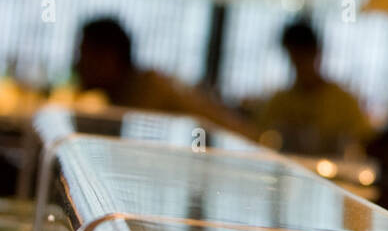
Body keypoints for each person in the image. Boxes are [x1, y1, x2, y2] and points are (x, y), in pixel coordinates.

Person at [73, 16, 254, 136]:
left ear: (108, 58)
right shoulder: (133, 92)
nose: (78, 65)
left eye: (85, 55)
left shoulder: (146, 98)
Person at [257, 21, 371, 157]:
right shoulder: (280, 101)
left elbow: (365, 142)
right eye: (295, 57)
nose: (300, 64)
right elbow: (258, 135)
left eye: (304, 56)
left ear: (317, 53)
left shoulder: (343, 101)